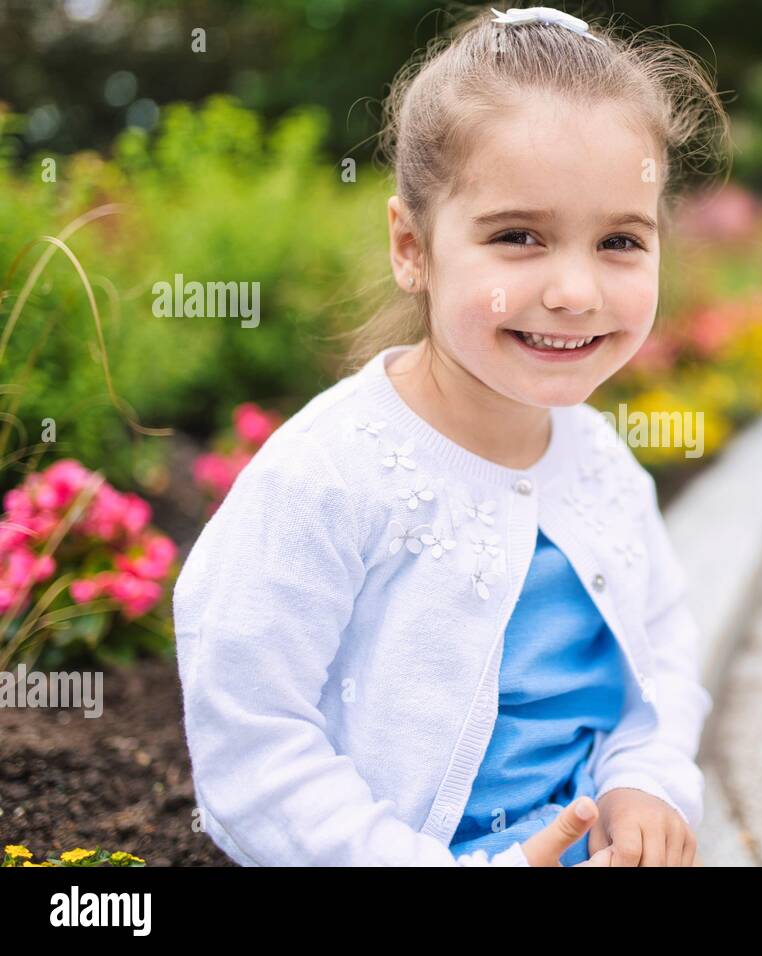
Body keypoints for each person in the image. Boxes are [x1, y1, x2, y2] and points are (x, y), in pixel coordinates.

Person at [172, 3, 731, 866]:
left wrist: (645, 780)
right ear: (412, 247)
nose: (575, 289)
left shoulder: (602, 466)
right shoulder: (328, 475)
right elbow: (252, 741)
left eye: (620, 239)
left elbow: (659, 662)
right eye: (518, 236)